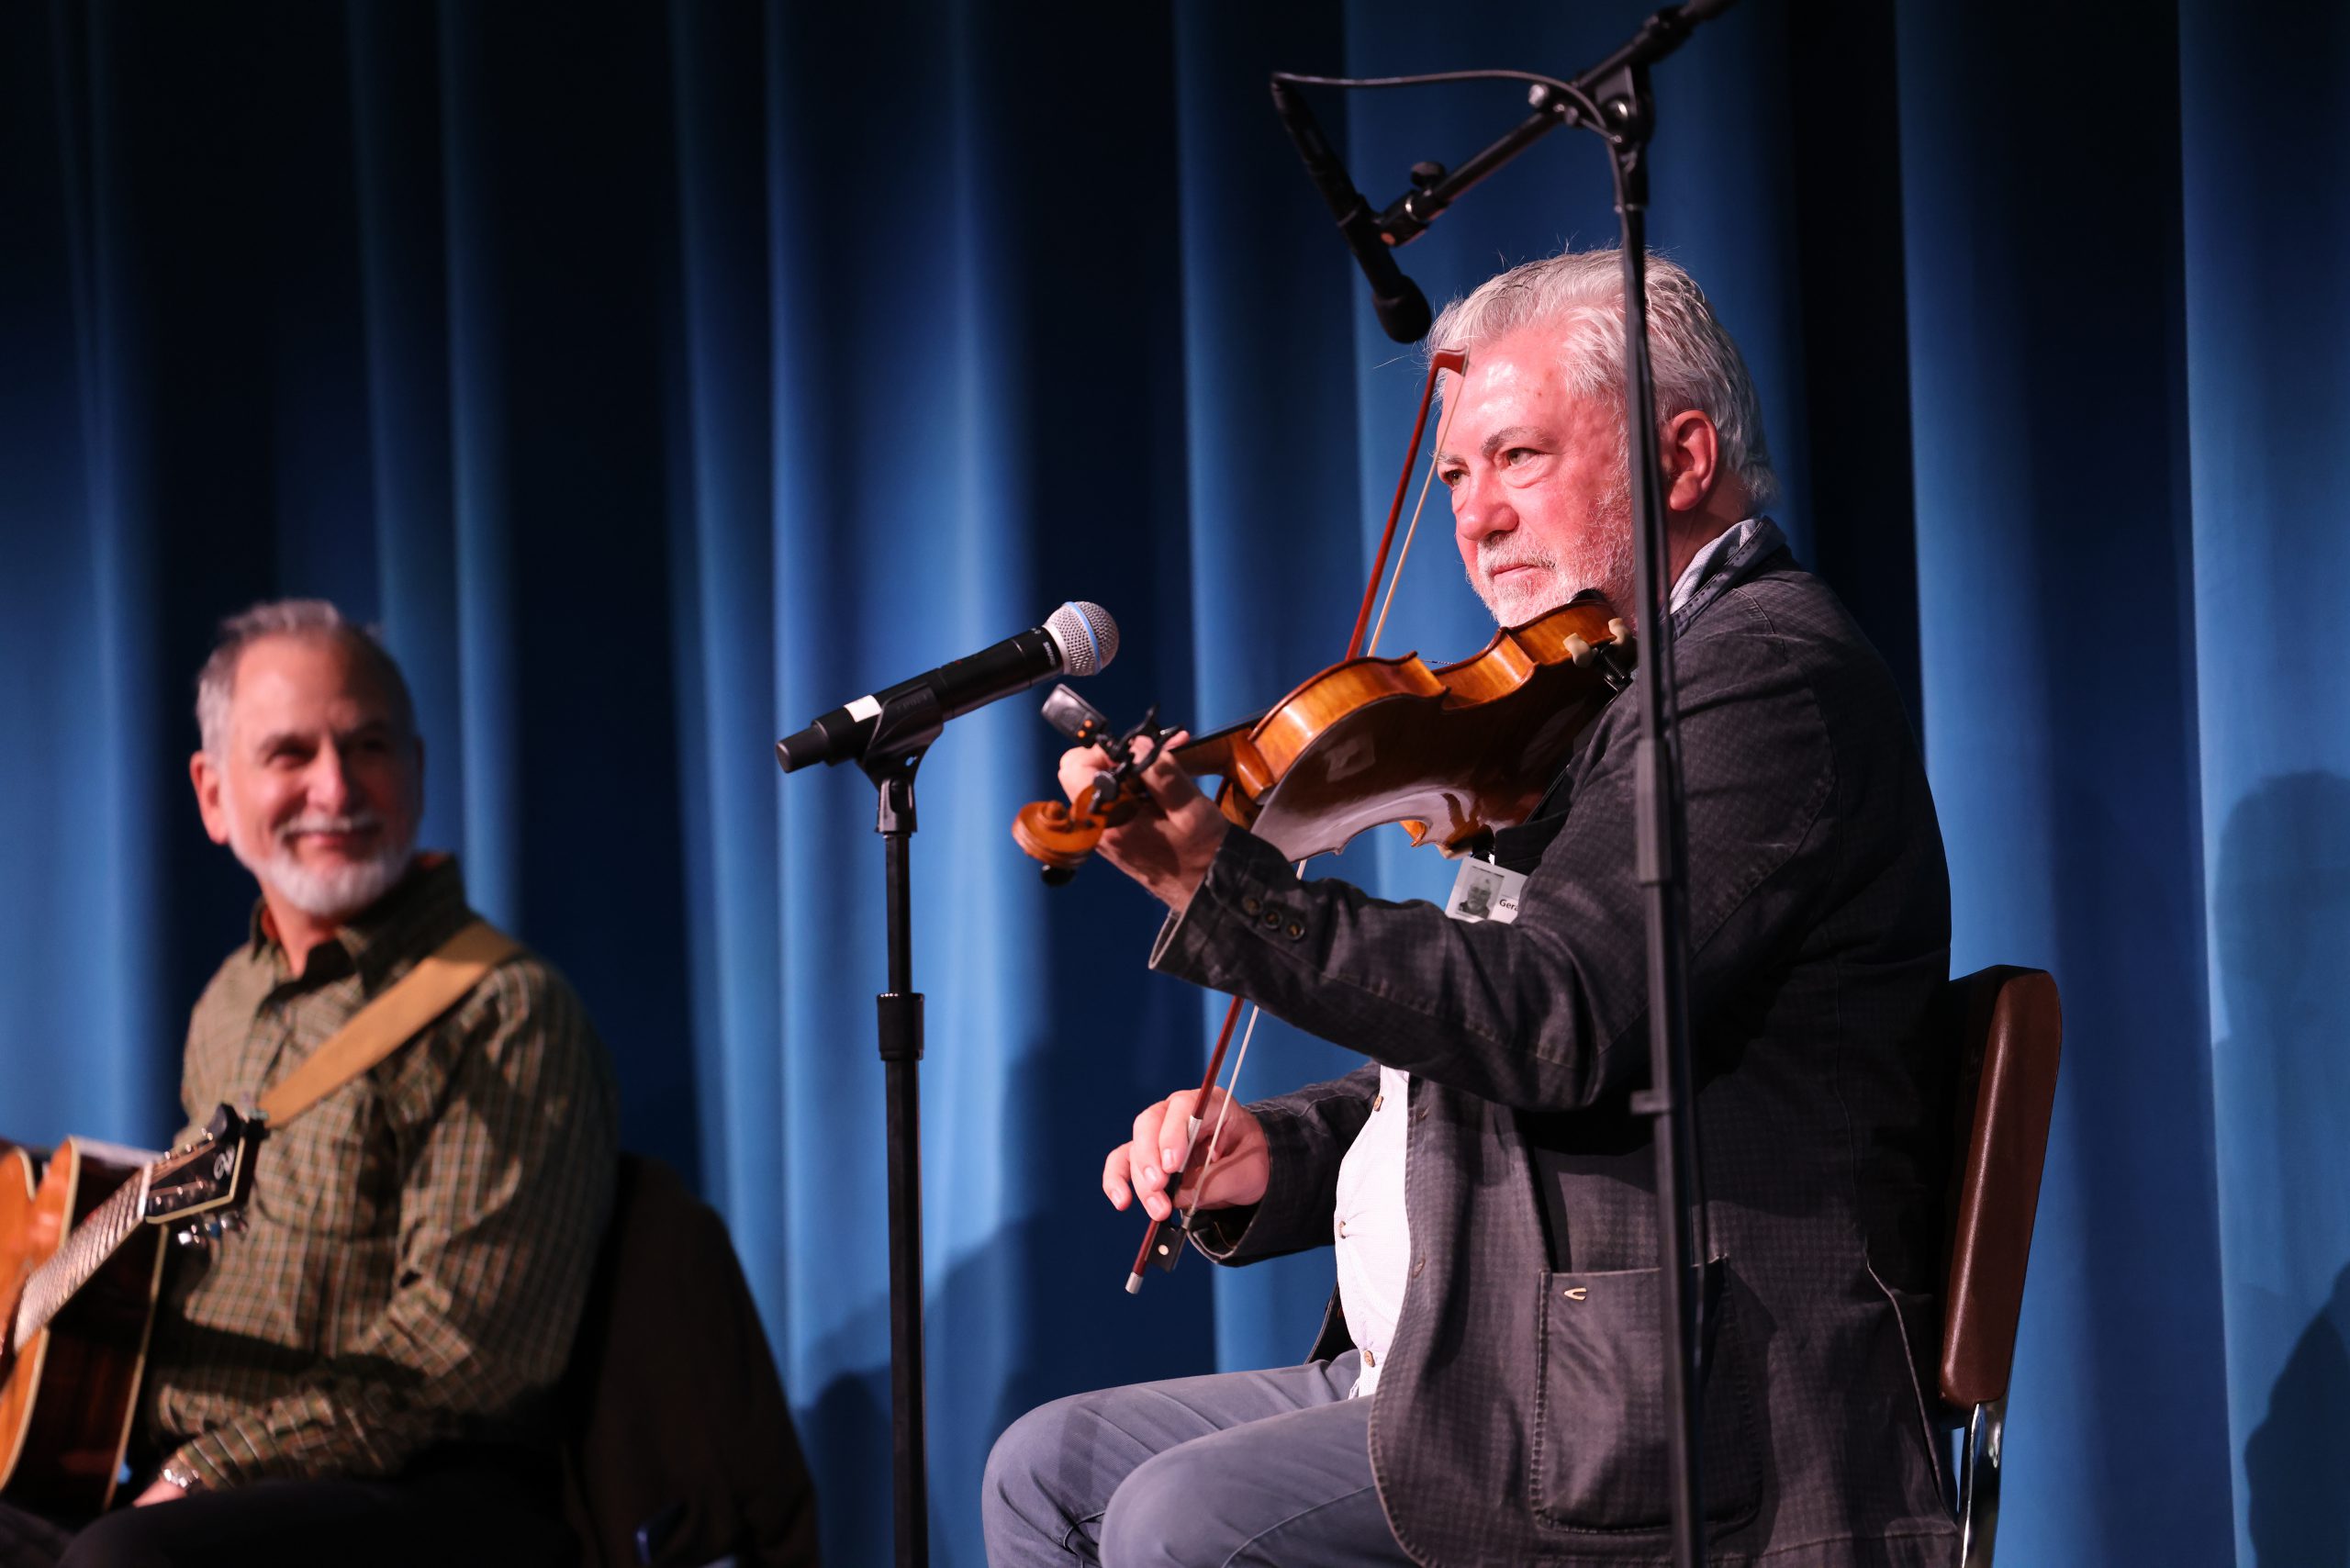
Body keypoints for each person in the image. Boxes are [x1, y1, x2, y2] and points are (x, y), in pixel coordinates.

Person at [982, 251, 1962, 1566]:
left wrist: (1231, 887)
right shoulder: (1591, 700)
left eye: (1518, 459)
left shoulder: (1762, 684)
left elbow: (1563, 1023)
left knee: (1181, 1523)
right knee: (1044, 1472)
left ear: (1680, 460)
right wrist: (1287, 1150)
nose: (1476, 516)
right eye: (1454, 477)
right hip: (1486, 1353)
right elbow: (1490, 1062)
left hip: (1676, 1400)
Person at [0, 600, 617, 1568]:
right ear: (213, 796)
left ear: (415, 771)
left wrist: (212, 1471)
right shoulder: (229, 1001)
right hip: (181, 1475)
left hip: (416, 1492)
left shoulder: (505, 1010)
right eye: (290, 753)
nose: (335, 785)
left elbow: (465, 1353)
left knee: (127, 1565)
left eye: (367, 745)